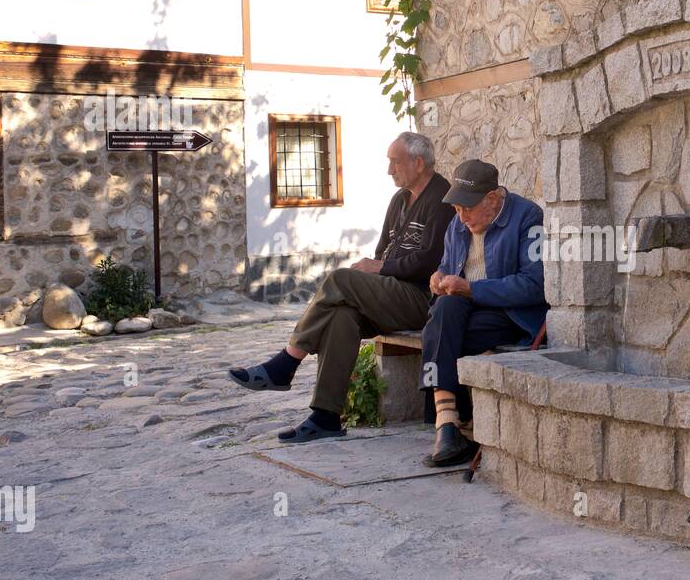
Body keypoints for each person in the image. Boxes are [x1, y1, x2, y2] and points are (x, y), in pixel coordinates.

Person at [227, 132, 455, 443]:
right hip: (389, 292)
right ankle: (326, 416)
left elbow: (431, 260)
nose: (390, 170)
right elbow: (382, 251)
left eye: (395, 162)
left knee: (340, 278)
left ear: (418, 163)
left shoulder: (441, 198)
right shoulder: (400, 200)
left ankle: (287, 362)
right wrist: (378, 271)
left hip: (420, 299)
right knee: (341, 317)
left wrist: (380, 269)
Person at [421, 159, 548, 468]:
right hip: (463, 311)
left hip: (510, 314)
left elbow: (534, 285)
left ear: (492, 199)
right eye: (457, 208)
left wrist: (471, 288)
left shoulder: (528, 217)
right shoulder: (458, 223)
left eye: (468, 208)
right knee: (445, 311)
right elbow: (447, 266)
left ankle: (448, 422)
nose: (461, 217)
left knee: (437, 336)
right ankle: (448, 421)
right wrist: (439, 277)